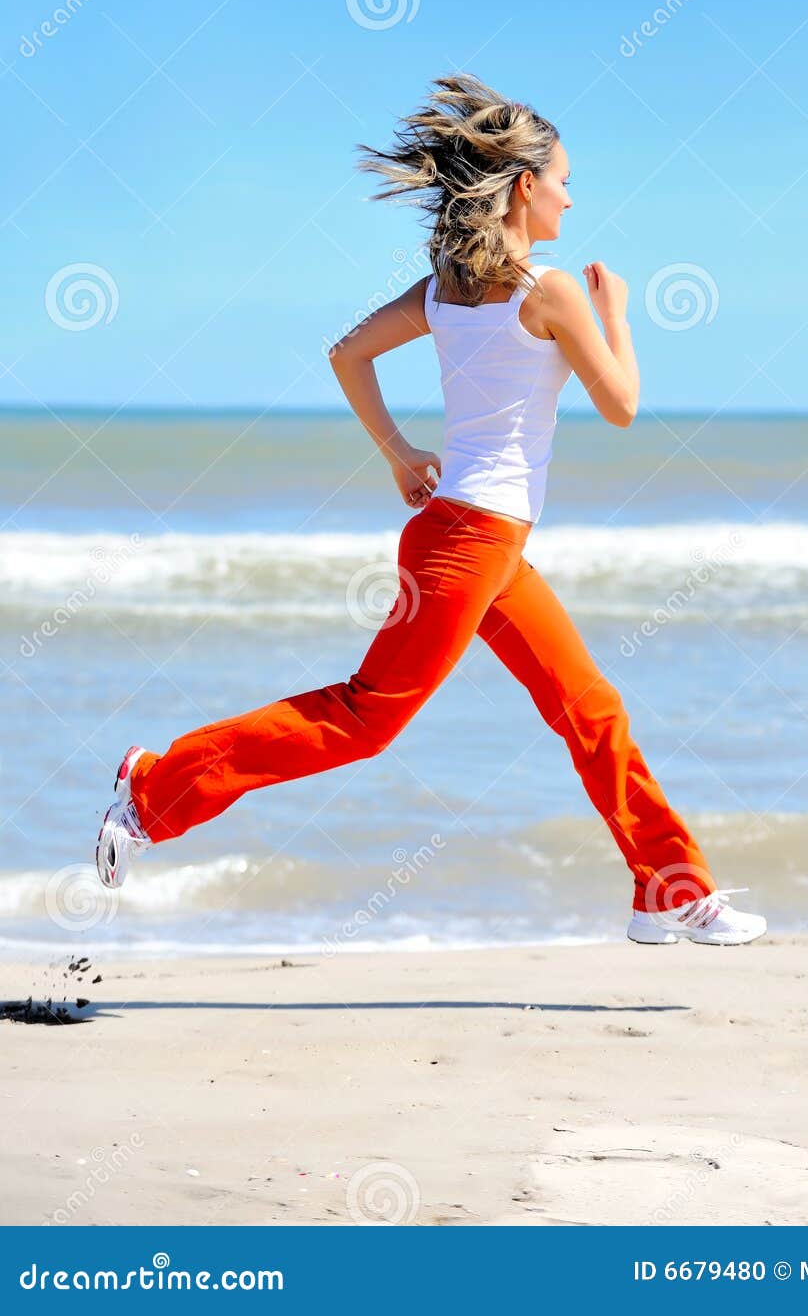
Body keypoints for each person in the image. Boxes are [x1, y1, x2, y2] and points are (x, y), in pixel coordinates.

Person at [95, 73, 766, 946]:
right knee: (365, 718)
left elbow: (346, 354)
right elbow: (623, 406)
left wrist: (399, 455)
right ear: (524, 187)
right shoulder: (553, 292)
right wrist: (619, 317)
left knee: (588, 709)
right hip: (467, 543)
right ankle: (154, 789)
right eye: (563, 179)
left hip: (483, 545)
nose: (570, 195)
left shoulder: (445, 288)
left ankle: (667, 890)